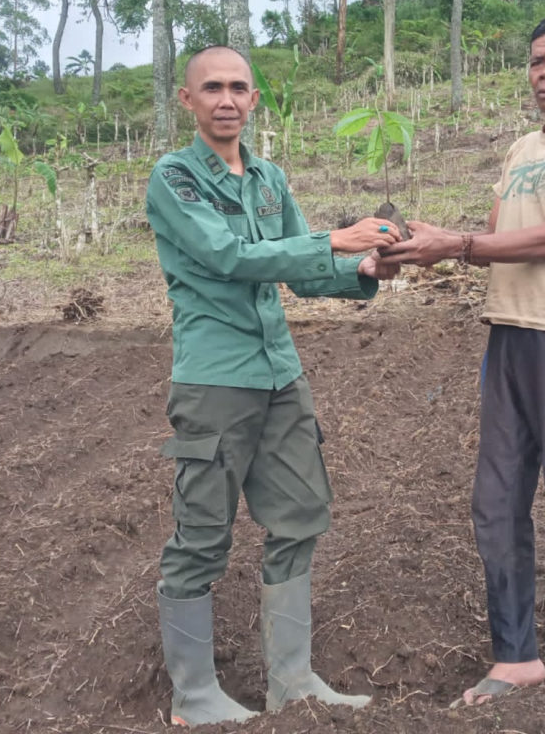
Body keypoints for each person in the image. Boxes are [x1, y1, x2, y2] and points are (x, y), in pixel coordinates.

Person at [145, 44, 402, 726]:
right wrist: (333, 240)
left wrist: (362, 270)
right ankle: (194, 696)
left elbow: (299, 273)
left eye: (239, 87)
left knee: (300, 516)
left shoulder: (268, 179)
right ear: (188, 100)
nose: (227, 99)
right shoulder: (175, 178)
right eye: (212, 88)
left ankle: (292, 682)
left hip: (279, 376)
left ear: (254, 99)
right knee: (202, 532)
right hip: (215, 381)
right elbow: (228, 256)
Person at [384, 13, 545, 703]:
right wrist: (426, 243)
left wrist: (457, 245)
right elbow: (497, 235)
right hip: (509, 334)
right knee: (495, 502)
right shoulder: (523, 147)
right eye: (536, 62)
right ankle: (516, 657)